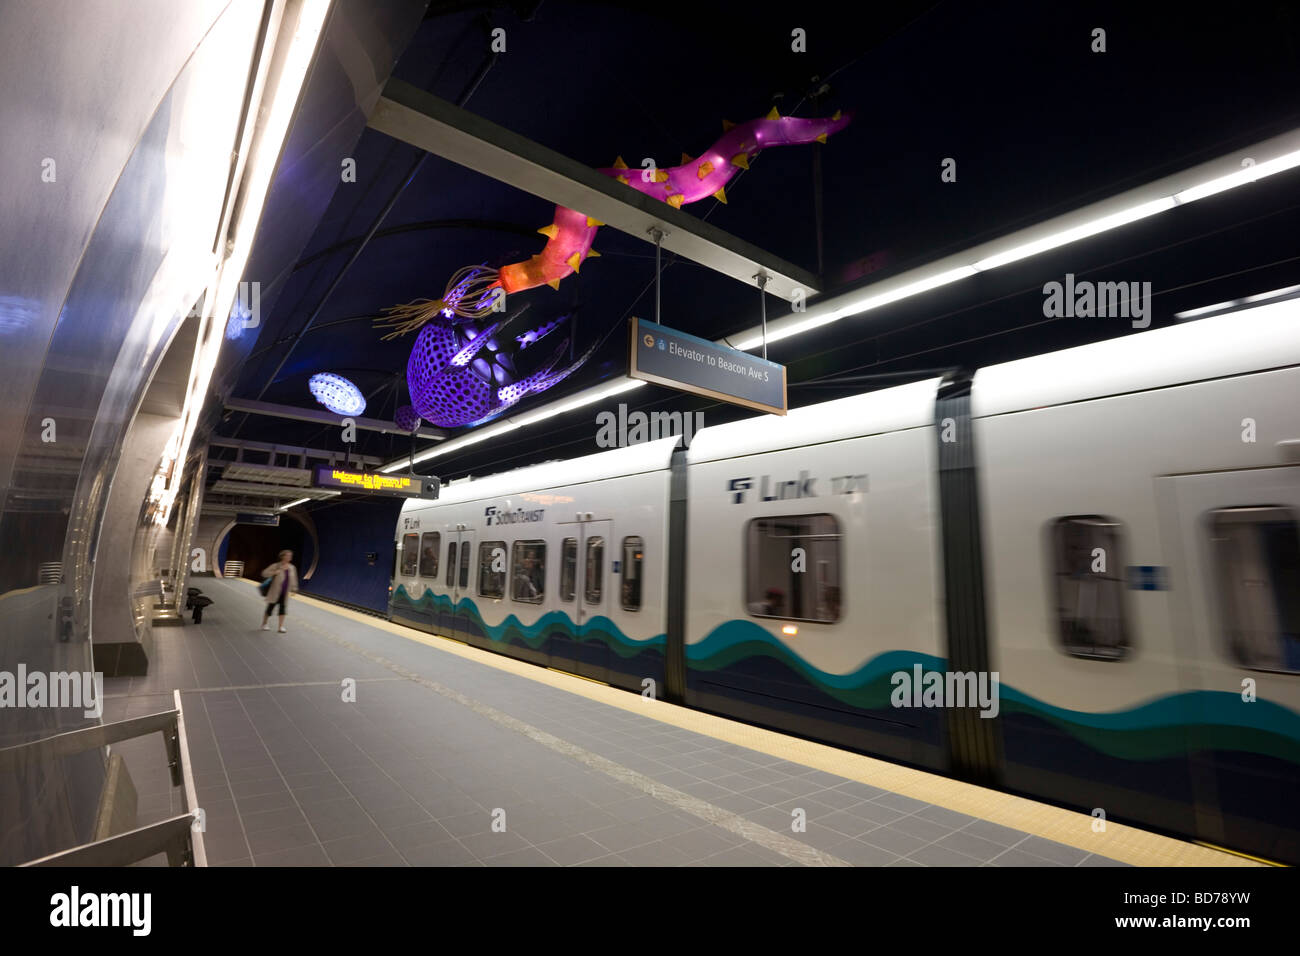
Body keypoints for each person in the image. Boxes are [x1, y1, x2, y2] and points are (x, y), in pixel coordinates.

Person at [260, 550, 298, 633]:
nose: (290, 557)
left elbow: (293, 579)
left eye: (290, 555)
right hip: (275, 591)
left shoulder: (292, 567)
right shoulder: (276, 566)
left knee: (282, 609)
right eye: (288, 555)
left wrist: (294, 588)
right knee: (270, 608)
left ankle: (280, 627)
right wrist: (274, 572)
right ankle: (264, 624)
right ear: (283, 556)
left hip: (284, 593)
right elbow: (264, 573)